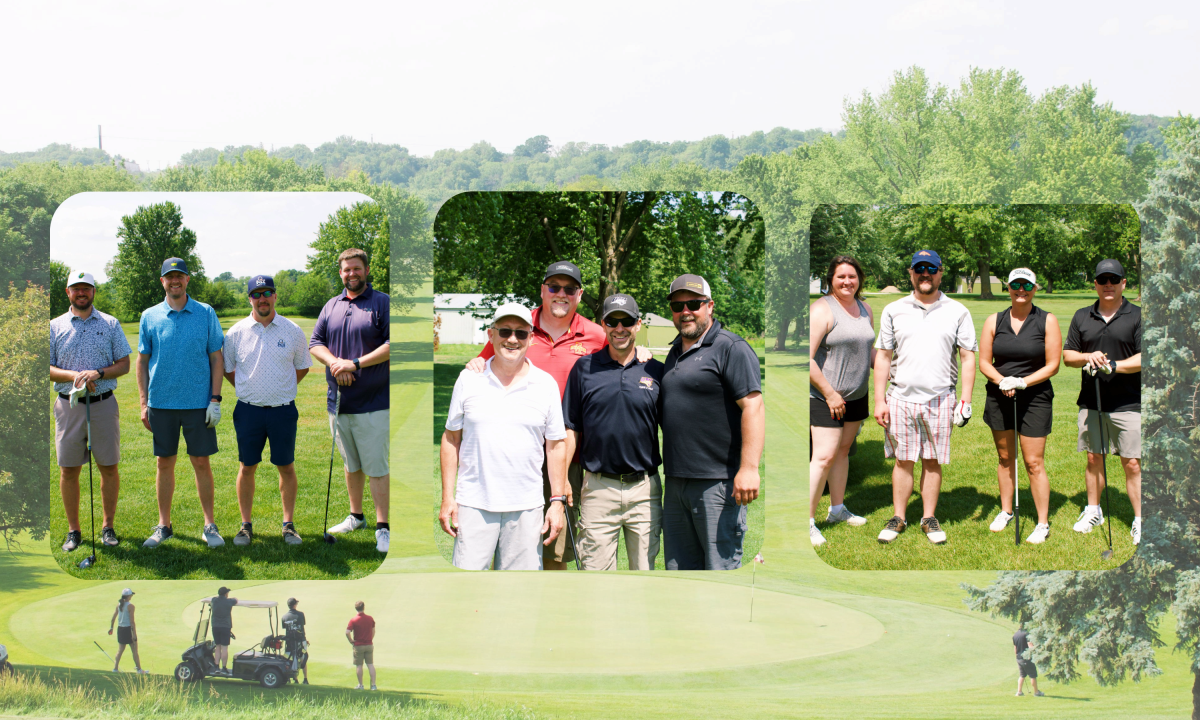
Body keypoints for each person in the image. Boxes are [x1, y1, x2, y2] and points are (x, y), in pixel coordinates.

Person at [466, 261, 608, 570]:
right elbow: (483, 363)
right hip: (510, 455)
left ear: (579, 295)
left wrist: (642, 355)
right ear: (542, 290)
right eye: (554, 287)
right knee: (501, 543)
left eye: (569, 289)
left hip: (566, 456)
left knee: (553, 547)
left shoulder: (597, 336)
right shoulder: (517, 327)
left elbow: (621, 359)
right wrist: (474, 364)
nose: (561, 294)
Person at [441, 304, 568, 570]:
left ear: (531, 339)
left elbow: (556, 445)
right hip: (474, 503)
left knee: (519, 596)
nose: (512, 339)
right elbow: (451, 438)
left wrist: (556, 501)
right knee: (466, 592)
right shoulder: (468, 379)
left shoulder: (545, 385)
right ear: (491, 335)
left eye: (521, 334)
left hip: (527, 507)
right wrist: (447, 498)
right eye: (505, 331)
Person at [660, 274, 765, 570]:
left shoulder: (730, 347)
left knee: (719, 572)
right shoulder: (674, 352)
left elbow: (753, 406)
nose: (685, 311)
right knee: (680, 573)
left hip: (718, 484)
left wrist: (749, 469)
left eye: (693, 303)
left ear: (710, 306)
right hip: (677, 481)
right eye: (678, 305)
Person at [873, 250, 977, 545]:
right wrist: (879, 400)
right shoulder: (894, 309)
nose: (925, 274)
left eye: (931, 268)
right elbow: (883, 356)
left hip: (941, 398)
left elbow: (968, 358)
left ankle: (929, 517)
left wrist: (965, 400)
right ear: (911, 273)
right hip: (900, 398)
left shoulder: (957, 311)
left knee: (932, 460)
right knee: (903, 461)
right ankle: (898, 517)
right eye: (919, 269)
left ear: (941, 272)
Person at [563, 294, 665, 570]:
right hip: (598, 489)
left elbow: (675, 427)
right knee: (595, 578)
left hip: (644, 490)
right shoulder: (584, 369)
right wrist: (562, 479)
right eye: (612, 321)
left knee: (644, 577)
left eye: (627, 321)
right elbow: (570, 429)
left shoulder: (656, 370)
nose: (619, 328)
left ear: (638, 325)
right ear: (603, 324)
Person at [137, 258, 225, 549]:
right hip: (161, 403)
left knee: (201, 462)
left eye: (180, 276)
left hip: (198, 404)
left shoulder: (205, 312)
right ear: (162, 281)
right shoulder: (150, 316)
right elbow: (142, 360)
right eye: (169, 277)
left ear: (188, 280)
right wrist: (143, 402)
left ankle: (209, 525)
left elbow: (216, 357)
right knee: (165, 463)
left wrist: (215, 398)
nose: (175, 281)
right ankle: (164, 525)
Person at [310, 249, 392, 553]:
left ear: (366, 270)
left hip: (373, 402)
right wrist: (336, 364)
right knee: (351, 462)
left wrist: (354, 364)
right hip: (339, 402)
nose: (351, 274)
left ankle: (383, 527)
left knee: (376, 466)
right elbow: (315, 343)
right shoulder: (331, 305)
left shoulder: (381, 303)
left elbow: (391, 345)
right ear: (341, 272)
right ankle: (356, 516)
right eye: (346, 270)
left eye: (356, 269)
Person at [222, 275, 312, 546]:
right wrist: (249, 388)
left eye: (267, 293)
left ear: (274, 296)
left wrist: (281, 388)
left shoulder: (292, 330)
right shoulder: (236, 332)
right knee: (247, 466)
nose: (262, 298)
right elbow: (228, 369)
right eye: (256, 294)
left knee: (286, 466)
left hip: (283, 411)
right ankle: (245, 526)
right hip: (248, 411)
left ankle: (288, 525)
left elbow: (303, 366)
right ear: (250, 298)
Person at [50, 270, 131, 551]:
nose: (81, 293)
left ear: (94, 292)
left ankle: (107, 527)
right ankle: (74, 531)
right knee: (68, 469)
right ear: (68, 292)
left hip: (103, 405)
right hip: (68, 406)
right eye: (76, 288)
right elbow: (47, 368)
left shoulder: (110, 323)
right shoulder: (54, 326)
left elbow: (124, 364)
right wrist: (74, 376)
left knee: (108, 466)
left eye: (86, 288)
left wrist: (97, 373)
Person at [1062, 259, 1143, 544]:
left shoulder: (1137, 316)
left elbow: (1145, 356)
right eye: (1102, 279)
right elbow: (1068, 356)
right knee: (1094, 457)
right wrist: (1088, 357)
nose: (1108, 284)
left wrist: (1115, 366)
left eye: (1114, 279)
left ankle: (1140, 519)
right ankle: (1094, 510)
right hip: (1091, 401)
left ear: (1123, 283)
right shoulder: (1082, 316)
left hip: (1128, 403)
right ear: (1095, 283)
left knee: (1131, 462)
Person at [978, 268, 1061, 544]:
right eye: (1016, 285)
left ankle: (1042, 523)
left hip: (1035, 397)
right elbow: (984, 362)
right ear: (1009, 288)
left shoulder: (1047, 320)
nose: (1021, 290)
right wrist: (1002, 380)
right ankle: (1006, 511)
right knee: (1005, 458)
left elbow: (1053, 365)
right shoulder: (994, 320)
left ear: (1034, 288)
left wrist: (1023, 382)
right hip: (999, 395)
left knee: (1033, 462)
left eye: (1026, 285)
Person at [808, 256, 875, 547]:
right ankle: (807, 522)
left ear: (859, 278)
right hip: (826, 398)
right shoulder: (822, 309)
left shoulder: (865, 309)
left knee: (843, 452)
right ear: (830, 280)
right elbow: (807, 359)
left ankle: (837, 510)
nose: (847, 281)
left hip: (856, 396)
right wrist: (830, 393)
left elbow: (868, 352)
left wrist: (892, 367)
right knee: (823, 457)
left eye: (852, 276)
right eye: (840, 277)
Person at [106, 588, 147, 674]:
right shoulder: (131, 606)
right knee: (134, 650)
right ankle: (139, 669)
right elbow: (132, 622)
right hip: (128, 630)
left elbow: (113, 617)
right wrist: (134, 634)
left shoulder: (119, 604)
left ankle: (115, 669)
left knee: (120, 650)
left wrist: (111, 628)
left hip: (120, 629)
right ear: (129, 596)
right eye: (131, 595)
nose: (132, 596)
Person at [345, 600, 376, 690]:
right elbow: (373, 631)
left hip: (358, 645)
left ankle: (361, 685)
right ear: (364, 607)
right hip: (369, 644)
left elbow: (347, 632)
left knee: (359, 665)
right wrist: (370, 639)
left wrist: (351, 641)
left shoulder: (354, 620)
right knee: (370, 664)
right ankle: (373, 685)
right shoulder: (370, 618)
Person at [210, 586, 238, 676]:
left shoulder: (214, 600)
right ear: (226, 594)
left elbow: (213, 600)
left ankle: (216, 666)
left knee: (217, 646)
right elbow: (235, 600)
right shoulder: (229, 601)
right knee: (224, 648)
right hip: (225, 627)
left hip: (215, 627)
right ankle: (224, 668)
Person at [280, 597, 308, 684]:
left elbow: (285, 627)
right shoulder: (300, 614)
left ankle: (295, 679)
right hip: (301, 641)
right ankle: (305, 679)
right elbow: (303, 624)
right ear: (295, 605)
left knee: (290, 659)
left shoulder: (284, 617)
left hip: (290, 642)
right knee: (303, 658)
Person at [1013, 624, 1044, 696]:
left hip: (1018, 658)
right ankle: (1036, 692)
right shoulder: (1027, 634)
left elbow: (1015, 649)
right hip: (1027, 658)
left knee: (1022, 675)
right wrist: (1036, 652)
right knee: (1032, 675)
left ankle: (1019, 692)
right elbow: (1030, 645)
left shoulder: (1015, 635)